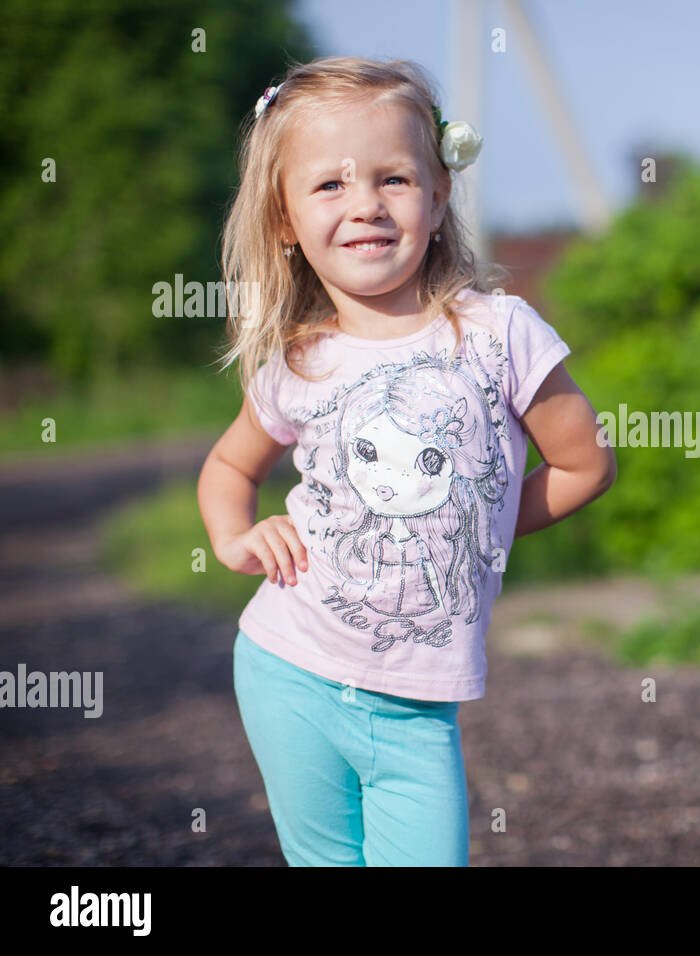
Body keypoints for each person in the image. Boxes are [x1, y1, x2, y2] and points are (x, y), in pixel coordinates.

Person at [196, 56, 616, 866]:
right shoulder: (299, 359)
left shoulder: (499, 334)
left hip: (418, 710)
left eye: (393, 178)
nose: (366, 206)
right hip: (289, 670)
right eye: (329, 186)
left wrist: (478, 530)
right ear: (283, 217)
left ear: (439, 192)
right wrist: (233, 537)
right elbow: (228, 467)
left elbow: (582, 465)